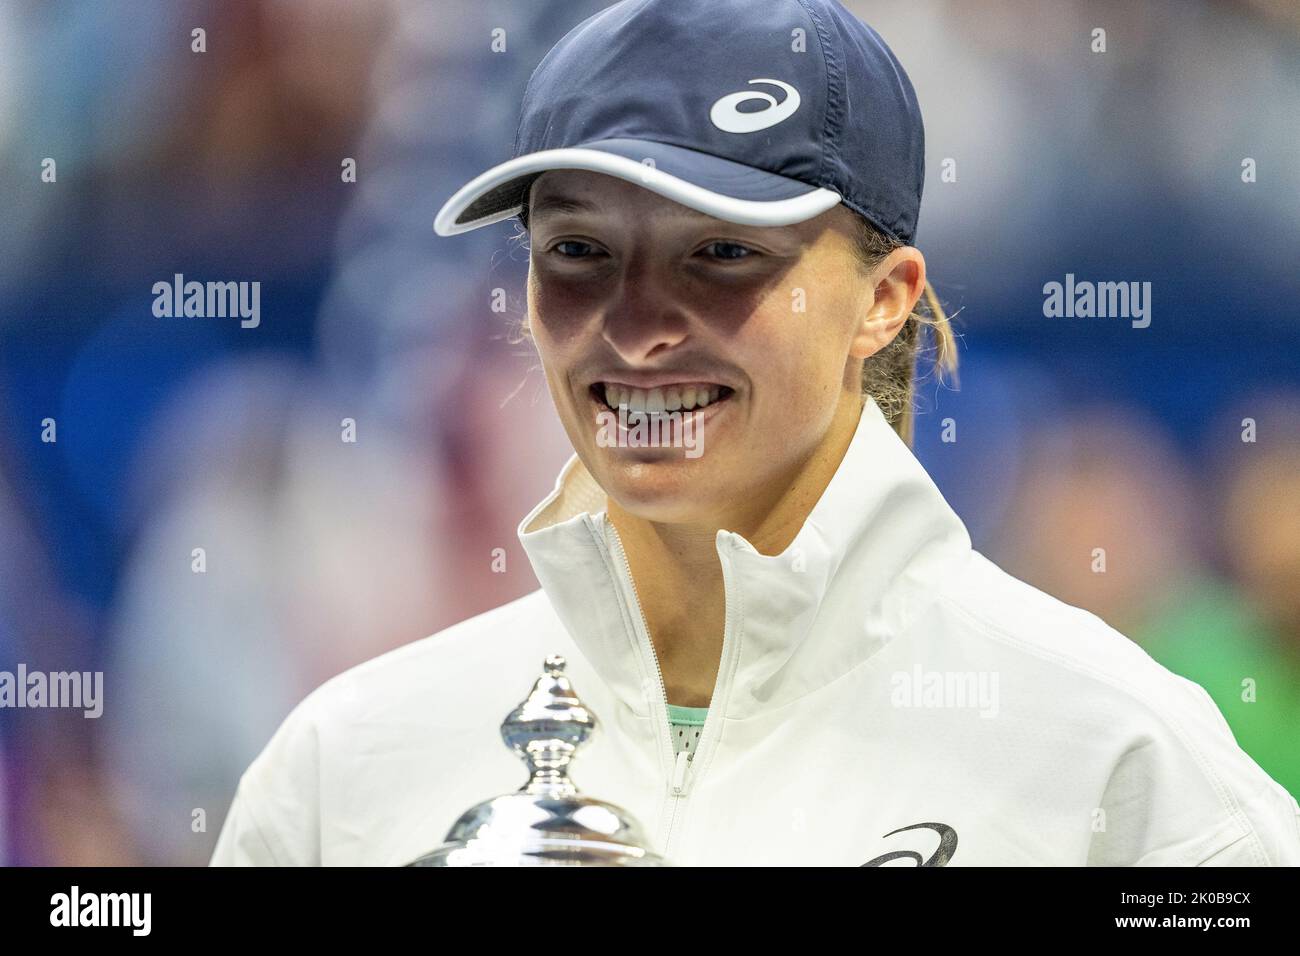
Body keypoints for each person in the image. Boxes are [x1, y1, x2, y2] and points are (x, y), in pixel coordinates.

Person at [211, 0, 1300, 866]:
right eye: (579, 251)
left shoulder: (1118, 762)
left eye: (721, 254)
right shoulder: (342, 770)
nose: (633, 330)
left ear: (885, 297)